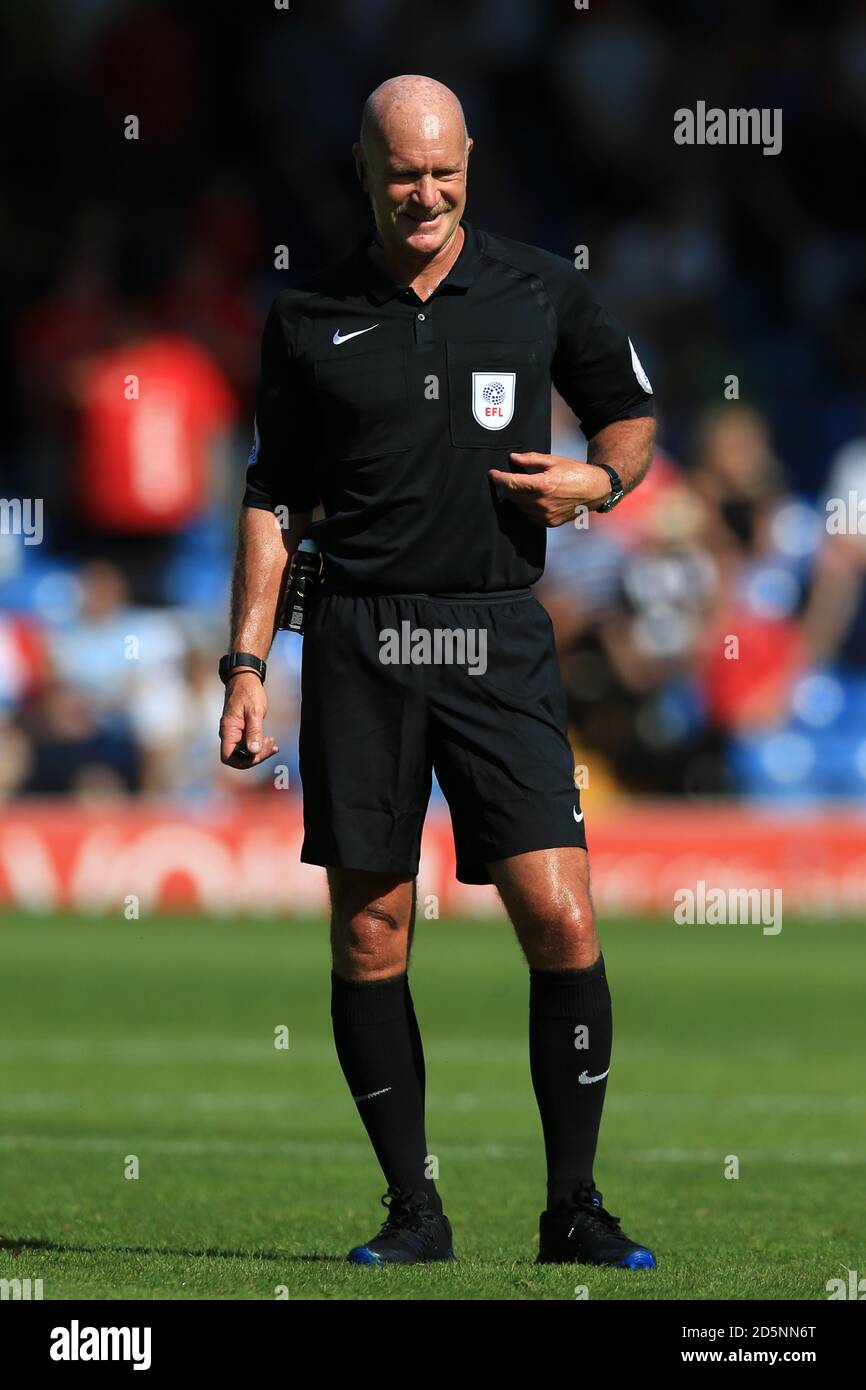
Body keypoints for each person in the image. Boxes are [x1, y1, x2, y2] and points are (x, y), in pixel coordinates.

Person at [220, 75, 656, 1269]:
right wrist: (246, 662)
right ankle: (413, 1211)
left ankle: (572, 1206)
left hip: (492, 636)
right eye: (401, 172)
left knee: (561, 920)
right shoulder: (308, 313)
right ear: (362, 172)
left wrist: (598, 483)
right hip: (359, 640)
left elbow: (626, 420)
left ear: (471, 162)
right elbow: (272, 495)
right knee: (370, 938)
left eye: (444, 169)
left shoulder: (540, 288)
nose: (426, 192)